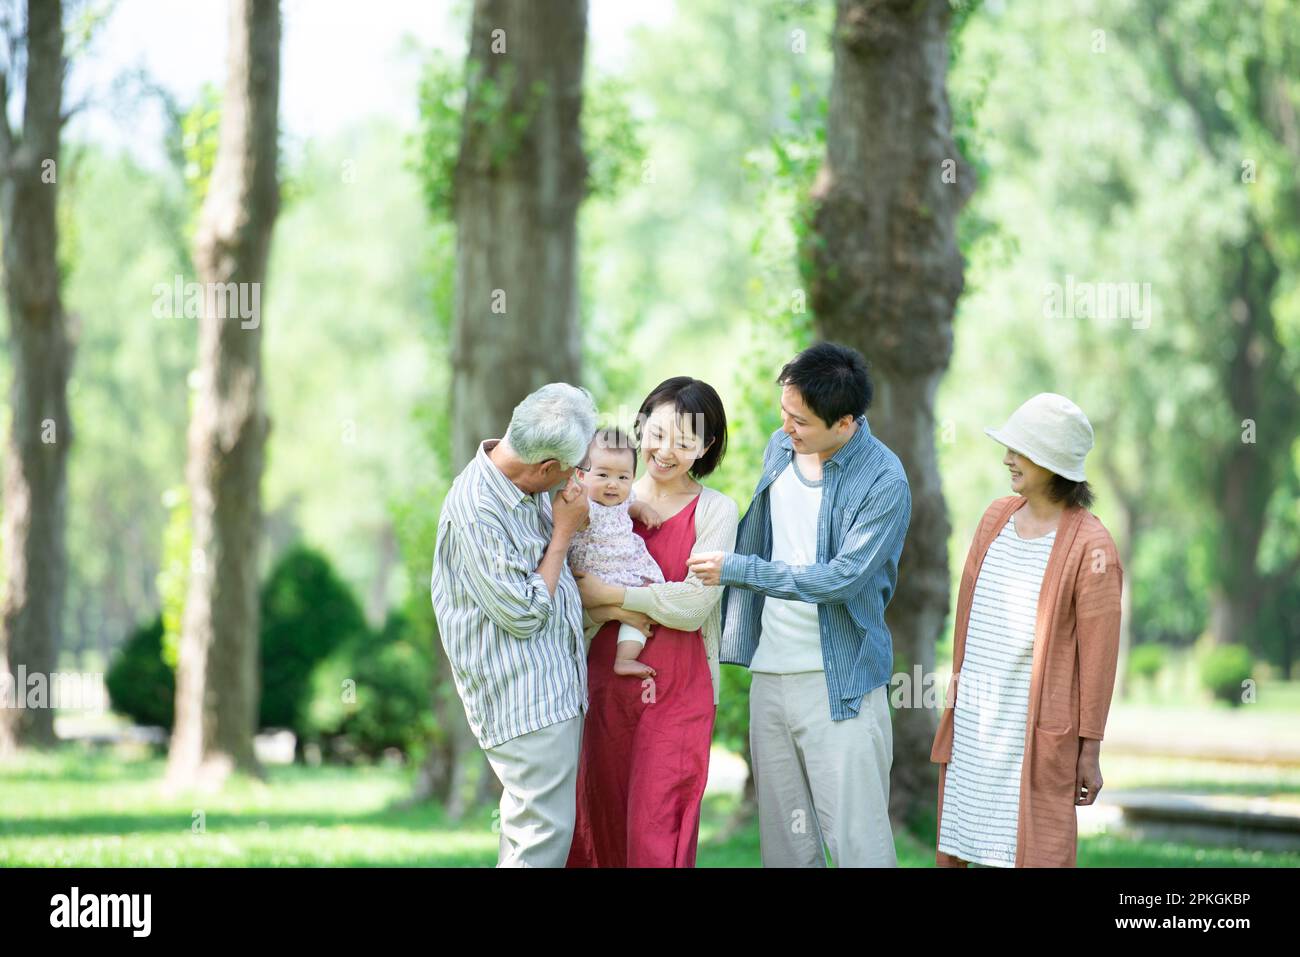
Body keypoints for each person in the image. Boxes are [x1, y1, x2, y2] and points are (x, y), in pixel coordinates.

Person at [690, 341, 912, 868]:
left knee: (858, 845)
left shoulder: (884, 481)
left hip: (841, 684)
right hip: (773, 674)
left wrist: (740, 570)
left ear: (846, 424)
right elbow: (763, 531)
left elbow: (841, 580)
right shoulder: (781, 447)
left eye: (801, 421)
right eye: (784, 413)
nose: (787, 428)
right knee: (786, 849)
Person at [930, 392, 1123, 868]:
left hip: (1031, 739)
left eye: (1021, 450)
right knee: (962, 845)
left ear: (1052, 462)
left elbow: (1100, 658)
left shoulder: (1092, 545)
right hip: (976, 729)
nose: (1007, 459)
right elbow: (969, 624)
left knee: (1033, 853)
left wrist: (1090, 749)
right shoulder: (996, 518)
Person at [567, 377, 738, 867]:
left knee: (658, 827)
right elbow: (571, 591)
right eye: (657, 434)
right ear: (640, 426)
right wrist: (620, 606)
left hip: (679, 693)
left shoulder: (717, 510)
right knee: (598, 819)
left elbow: (694, 606)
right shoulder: (600, 494)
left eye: (684, 442)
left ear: (705, 447)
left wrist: (613, 596)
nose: (665, 451)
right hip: (601, 685)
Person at [429, 383, 596, 868]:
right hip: (524, 698)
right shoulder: (478, 510)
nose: (576, 478)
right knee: (542, 841)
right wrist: (563, 531)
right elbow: (523, 614)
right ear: (546, 467)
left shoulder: (527, 489)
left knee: (530, 835)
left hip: (550, 691)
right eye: (572, 469)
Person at [567, 427, 666, 680]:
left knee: (644, 607)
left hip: (625, 570)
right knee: (580, 638)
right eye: (602, 475)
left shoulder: (624, 500)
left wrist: (643, 509)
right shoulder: (582, 502)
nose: (613, 484)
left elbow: (630, 504)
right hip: (593, 576)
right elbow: (573, 520)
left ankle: (625, 658)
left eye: (623, 477)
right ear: (580, 474)